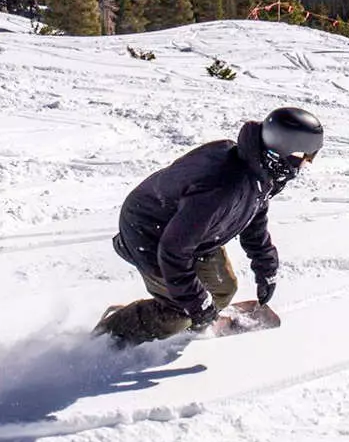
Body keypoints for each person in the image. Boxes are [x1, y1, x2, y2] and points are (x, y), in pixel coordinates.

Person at [93, 107, 323, 345]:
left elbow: (254, 214)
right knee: (179, 312)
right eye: (306, 156)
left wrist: (266, 267)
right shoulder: (225, 186)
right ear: (286, 153)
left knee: (223, 289)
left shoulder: (257, 169)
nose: (306, 164)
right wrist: (197, 306)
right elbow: (172, 252)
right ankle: (112, 331)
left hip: (194, 232)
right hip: (150, 233)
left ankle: (184, 318)